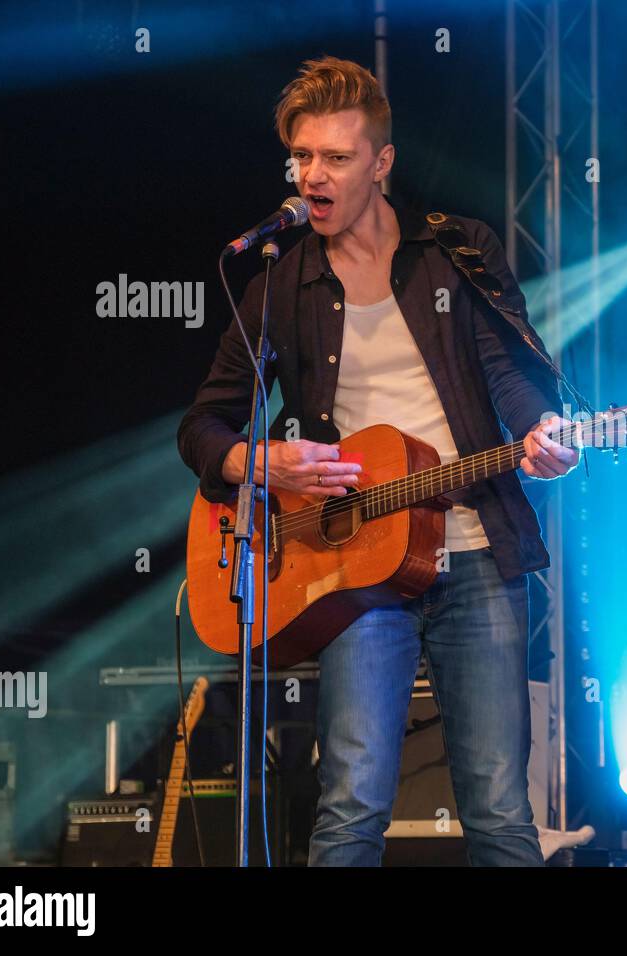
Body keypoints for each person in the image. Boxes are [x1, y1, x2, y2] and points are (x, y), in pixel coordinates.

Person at [177, 56, 579, 866]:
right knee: (352, 802)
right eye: (301, 157)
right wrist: (261, 464)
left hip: (477, 553)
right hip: (354, 569)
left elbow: (511, 376)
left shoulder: (458, 251)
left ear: (381, 163)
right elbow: (204, 426)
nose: (312, 175)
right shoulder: (278, 283)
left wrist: (542, 434)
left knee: (501, 806)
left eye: (334, 157)